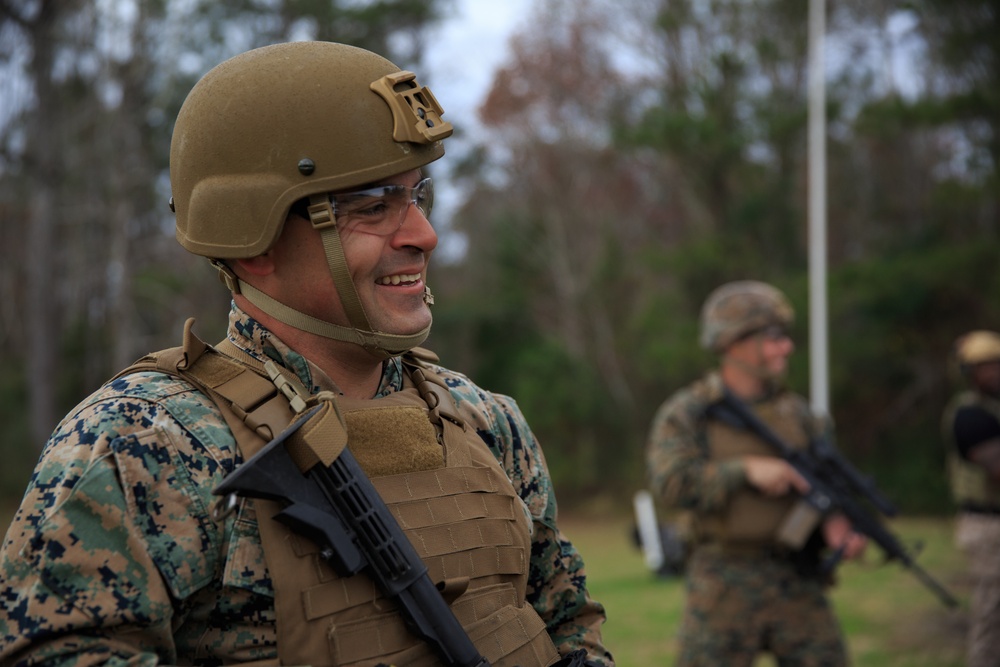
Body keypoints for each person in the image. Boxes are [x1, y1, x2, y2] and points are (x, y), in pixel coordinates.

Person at [0, 41, 613, 667]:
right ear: (253, 242)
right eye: (374, 207)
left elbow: (568, 625)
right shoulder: (145, 446)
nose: (423, 235)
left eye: (417, 196)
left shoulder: (486, 422)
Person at [645, 280, 866, 667]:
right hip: (722, 580)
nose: (787, 346)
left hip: (795, 576)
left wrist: (836, 523)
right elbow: (670, 485)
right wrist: (743, 471)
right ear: (733, 343)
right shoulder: (689, 413)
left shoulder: (800, 416)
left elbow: (826, 485)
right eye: (774, 337)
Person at [942, 330, 1000, 667]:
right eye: (984, 367)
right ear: (967, 374)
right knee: (991, 619)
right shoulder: (969, 416)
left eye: (997, 364)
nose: (993, 372)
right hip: (987, 525)